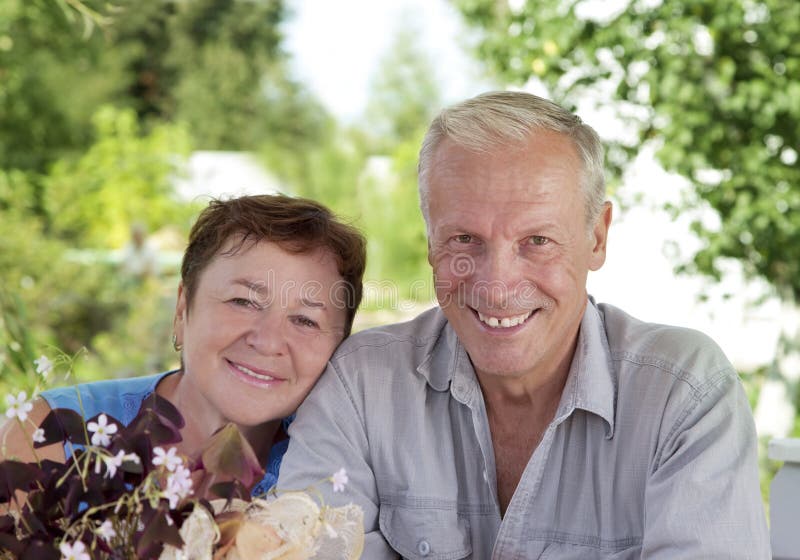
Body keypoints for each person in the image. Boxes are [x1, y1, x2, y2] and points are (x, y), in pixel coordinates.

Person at [277, 92, 771, 557]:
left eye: (536, 240)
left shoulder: (682, 394)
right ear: (430, 240)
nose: (496, 284)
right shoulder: (361, 386)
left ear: (597, 238)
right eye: (465, 239)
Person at [1, 194, 366, 495]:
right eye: (243, 301)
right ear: (181, 309)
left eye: (305, 320)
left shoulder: (340, 477)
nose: (268, 341)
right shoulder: (45, 436)